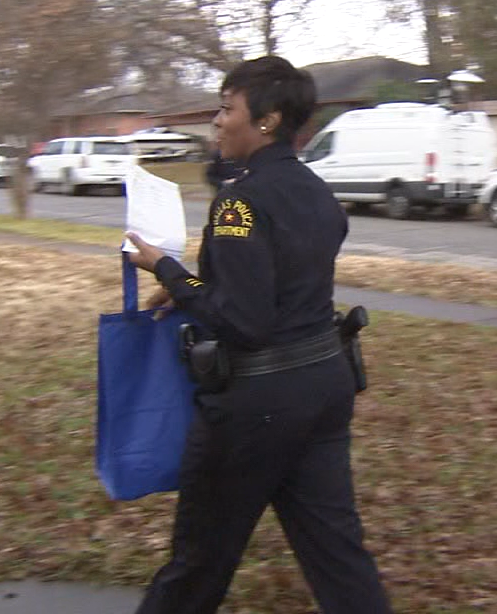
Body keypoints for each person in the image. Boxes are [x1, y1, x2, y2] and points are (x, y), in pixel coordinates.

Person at [125, 55, 393, 614]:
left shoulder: (239, 202)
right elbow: (276, 284)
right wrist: (195, 285)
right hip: (324, 386)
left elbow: (244, 321)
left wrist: (167, 270)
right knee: (338, 557)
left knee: (197, 564)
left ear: (267, 120)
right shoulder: (317, 192)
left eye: (227, 109)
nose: (217, 122)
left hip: (257, 406)